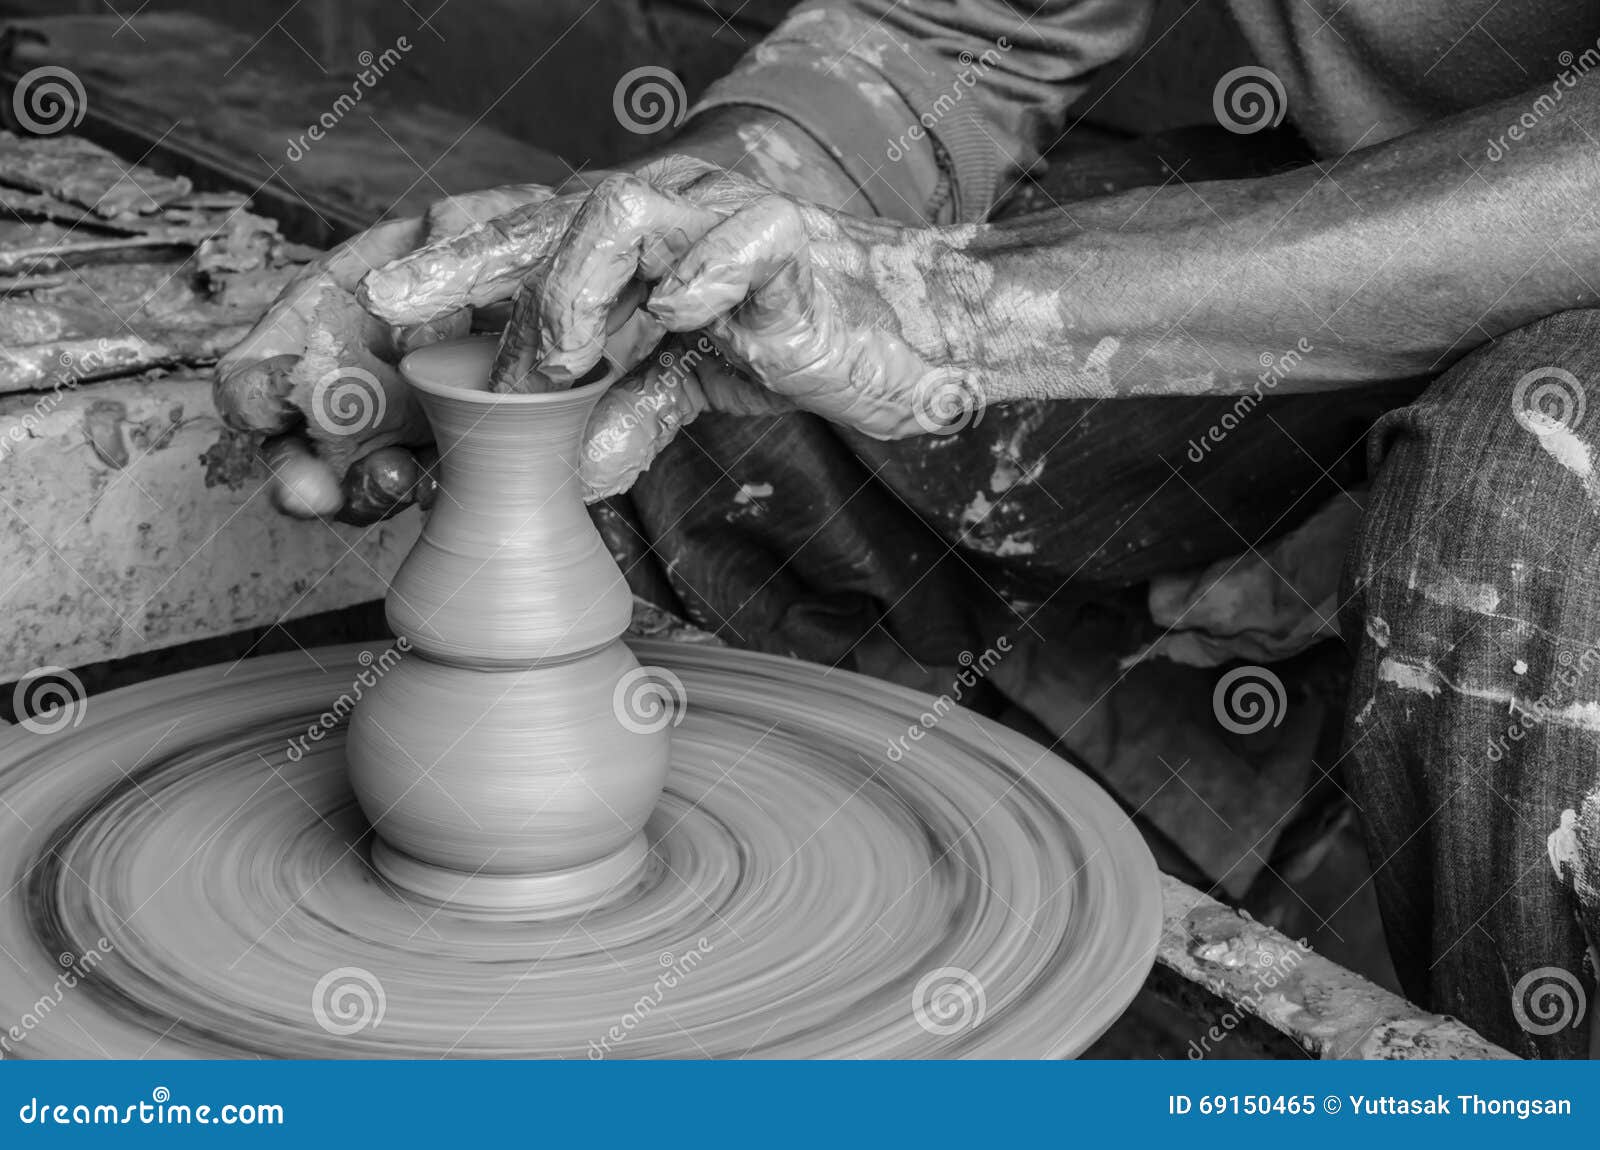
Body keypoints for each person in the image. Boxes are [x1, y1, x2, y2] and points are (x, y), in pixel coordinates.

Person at [216, 1, 1600, 1058]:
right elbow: (966, 33)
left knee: (1517, 517)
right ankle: (843, 977)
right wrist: (670, 233)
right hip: (1382, 192)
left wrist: (963, 308)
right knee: (686, 388)